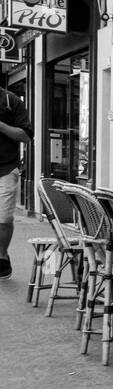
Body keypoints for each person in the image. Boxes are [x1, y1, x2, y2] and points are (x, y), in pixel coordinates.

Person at [0, 87, 34, 280]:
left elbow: (26, 137)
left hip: (5, 168)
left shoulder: (11, 100)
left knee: (4, 218)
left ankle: (2, 255)